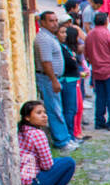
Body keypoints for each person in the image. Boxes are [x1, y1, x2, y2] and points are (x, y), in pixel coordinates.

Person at [18, 101, 76, 185]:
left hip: (24, 182)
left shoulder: (21, 130)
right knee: (69, 163)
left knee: (59, 161)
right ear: (27, 117)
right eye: (39, 113)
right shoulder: (37, 134)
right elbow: (47, 165)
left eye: (44, 112)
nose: (44, 116)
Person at [32, 10, 77, 149]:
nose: (54, 24)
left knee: (58, 107)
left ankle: (64, 137)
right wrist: (53, 80)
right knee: (54, 109)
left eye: (56, 20)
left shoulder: (50, 37)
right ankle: (61, 141)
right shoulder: (44, 39)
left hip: (53, 77)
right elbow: (46, 62)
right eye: (51, 21)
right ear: (43, 22)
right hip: (48, 78)